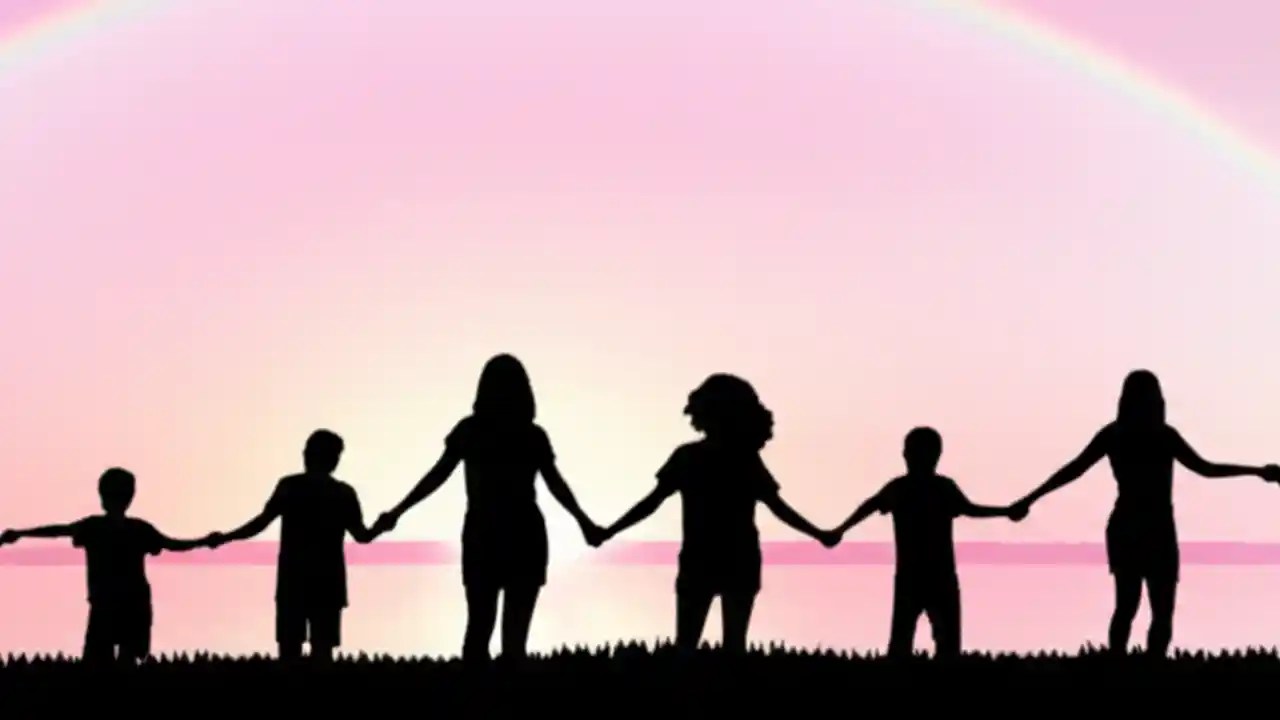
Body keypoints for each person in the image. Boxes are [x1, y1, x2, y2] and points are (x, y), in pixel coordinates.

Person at [1009, 369, 1280, 657]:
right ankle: (1145, 667)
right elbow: (1206, 468)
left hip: (1134, 525)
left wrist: (1030, 498)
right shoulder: (1158, 435)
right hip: (1150, 526)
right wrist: (1258, 471)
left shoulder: (1118, 435)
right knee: (1154, 609)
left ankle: (1125, 666)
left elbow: (1073, 470)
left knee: (1131, 607)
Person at [373, 354, 604, 662]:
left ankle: (477, 702)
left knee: (480, 628)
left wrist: (398, 511)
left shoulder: (473, 430)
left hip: (489, 532)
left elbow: (437, 475)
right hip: (518, 533)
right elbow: (555, 485)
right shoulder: (529, 435)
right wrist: (584, 522)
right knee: (511, 638)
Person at [597, 373, 838, 654]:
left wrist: (608, 531)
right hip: (735, 558)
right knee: (731, 647)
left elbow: (651, 503)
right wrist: (819, 534)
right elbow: (779, 508)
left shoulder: (690, 457)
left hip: (704, 559)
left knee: (688, 646)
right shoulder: (741, 460)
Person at [829, 426, 1016, 659]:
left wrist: (840, 530)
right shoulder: (926, 488)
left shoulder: (908, 488)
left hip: (922, 576)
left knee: (916, 641)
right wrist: (1006, 511)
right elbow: (970, 510)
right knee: (929, 642)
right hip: (931, 576)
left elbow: (871, 505)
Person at [0, 467, 217, 664]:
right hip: (132, 604)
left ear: (103, 497)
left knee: (100, 662)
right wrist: (204, 542)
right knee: (124, 660)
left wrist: (21, 533)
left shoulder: (95, 527)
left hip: (110, 605)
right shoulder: (138, 529)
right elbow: (174, 545)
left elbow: (58, 530)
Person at [209, 429, 382, 661]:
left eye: (309, 450)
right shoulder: (342, 493)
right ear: (335, 459)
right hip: (325, 582)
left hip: (295, 580)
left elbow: (260, 523)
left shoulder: (291, 486)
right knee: (321, 651)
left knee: (291, 651)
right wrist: (381, 526)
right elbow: (363, 535)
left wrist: (225, 537)